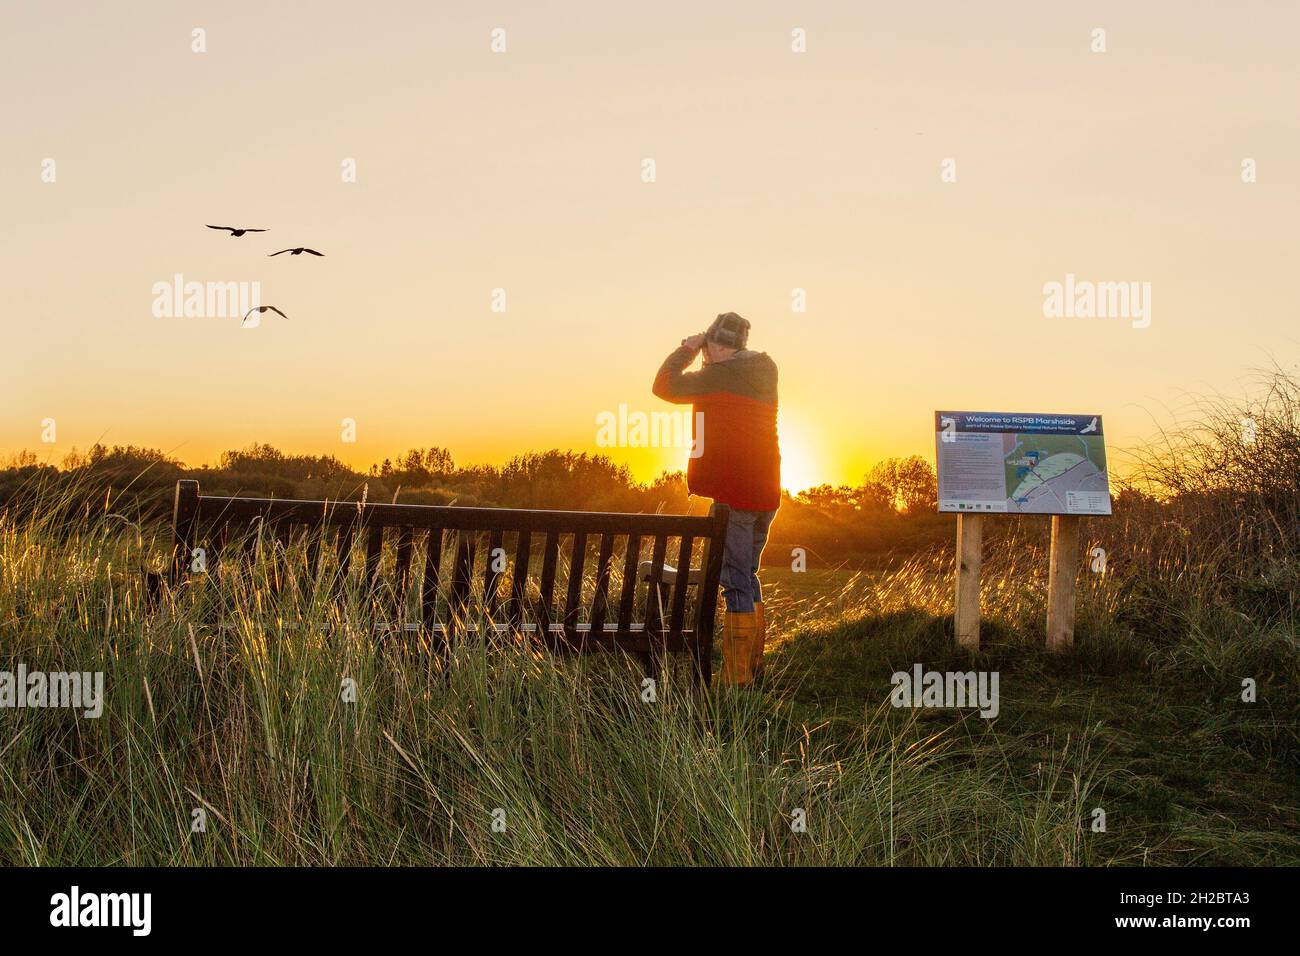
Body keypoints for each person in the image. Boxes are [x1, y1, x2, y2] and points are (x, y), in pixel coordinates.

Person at [652, 312, 780, 686]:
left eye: (710, 346)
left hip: (735, 496)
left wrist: (688, 350)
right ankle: (751, 667)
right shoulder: (765, 370)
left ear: (718, 346)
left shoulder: (715, 376)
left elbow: (663, 386)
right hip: (767, 491)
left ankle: (737, 678)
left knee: (735, 581)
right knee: (748, 575)